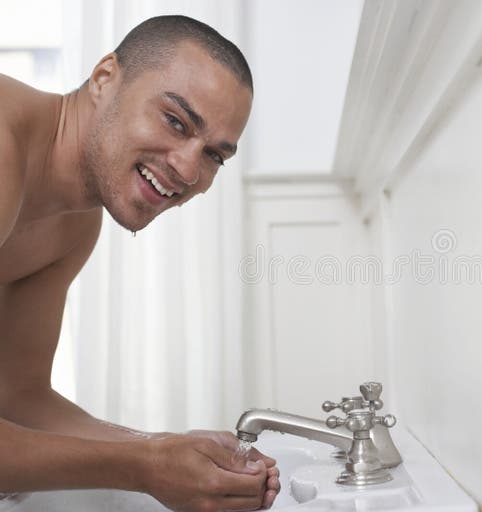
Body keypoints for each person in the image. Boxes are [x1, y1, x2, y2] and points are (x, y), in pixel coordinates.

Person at [0, 15, 280, 511]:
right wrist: (144, 466)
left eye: (214, 156)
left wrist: (165, 448)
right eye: (175, 121)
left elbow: (18, 397)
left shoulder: (75, 226)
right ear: (104, 77)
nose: (188, 170)